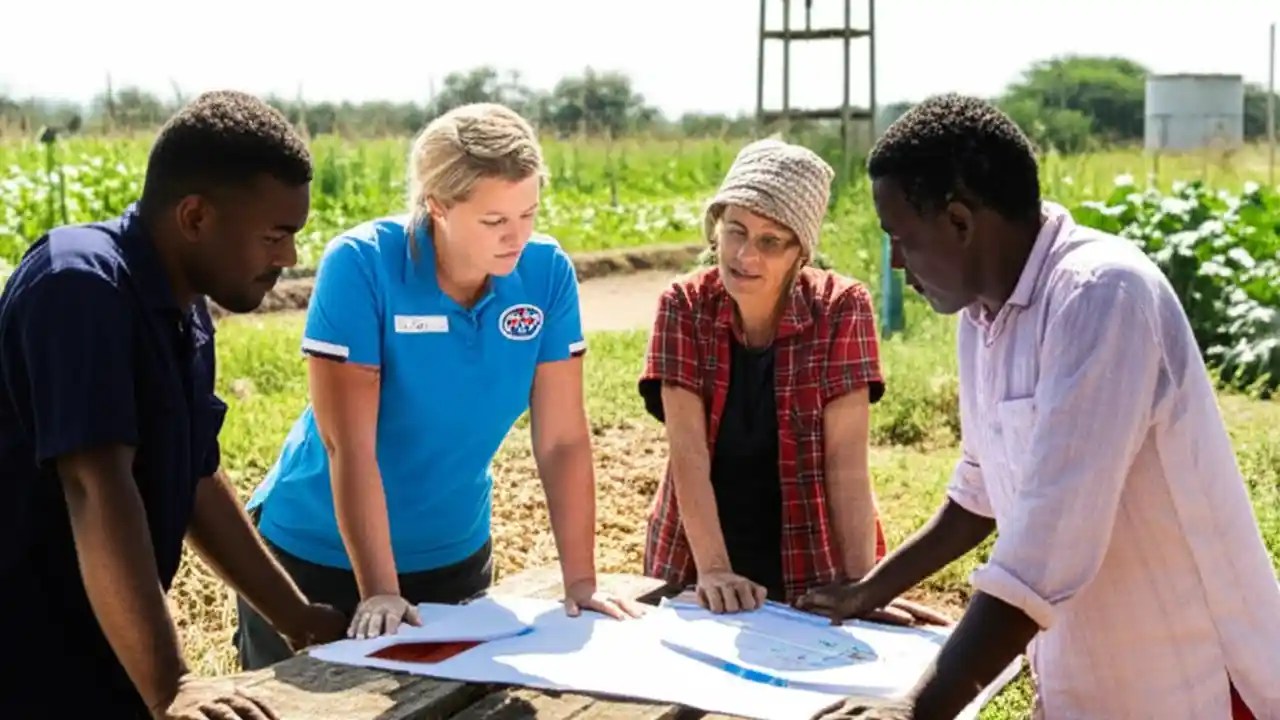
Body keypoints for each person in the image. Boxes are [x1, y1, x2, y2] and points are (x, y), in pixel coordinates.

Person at [797, 93, 1280, 720]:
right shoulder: (981, 318)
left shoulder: (1101, 295)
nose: (895, 263)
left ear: (960, 222)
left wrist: (915, 710)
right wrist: (868, 592)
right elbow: (980, 493)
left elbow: (1048, 546)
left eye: (901, 239)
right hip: (1092, 684)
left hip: (1193, 684)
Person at [234, 102, 644, 670]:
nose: (517, 236)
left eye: (528, 213)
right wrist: (380, 590)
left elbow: (561, 441)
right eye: (494, 221)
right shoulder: (362, 264)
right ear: (437, 205)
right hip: (316, 559)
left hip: (453, 558)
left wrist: (581, 582)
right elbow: (348, 446)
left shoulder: (546, 273)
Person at [0, 90, 348, 720]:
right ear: (194, 216)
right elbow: (94, 485)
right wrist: (172, 684)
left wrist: (297, 617)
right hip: (27, 659)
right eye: (275, 235)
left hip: (107, 654)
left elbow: (196, 479)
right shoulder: (79, 285)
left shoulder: (184, 310)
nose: (289, 258)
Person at [636, 137, 948, 626]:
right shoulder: (684, 306)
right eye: (735, 231)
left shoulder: (841, 308)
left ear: (801, 252)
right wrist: (714, 571)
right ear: (715, 230)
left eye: (770, 242)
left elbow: (846, 463)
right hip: (697, 563)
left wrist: (862, 587)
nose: (745, 255)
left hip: (809, 563)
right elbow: (688, 455)